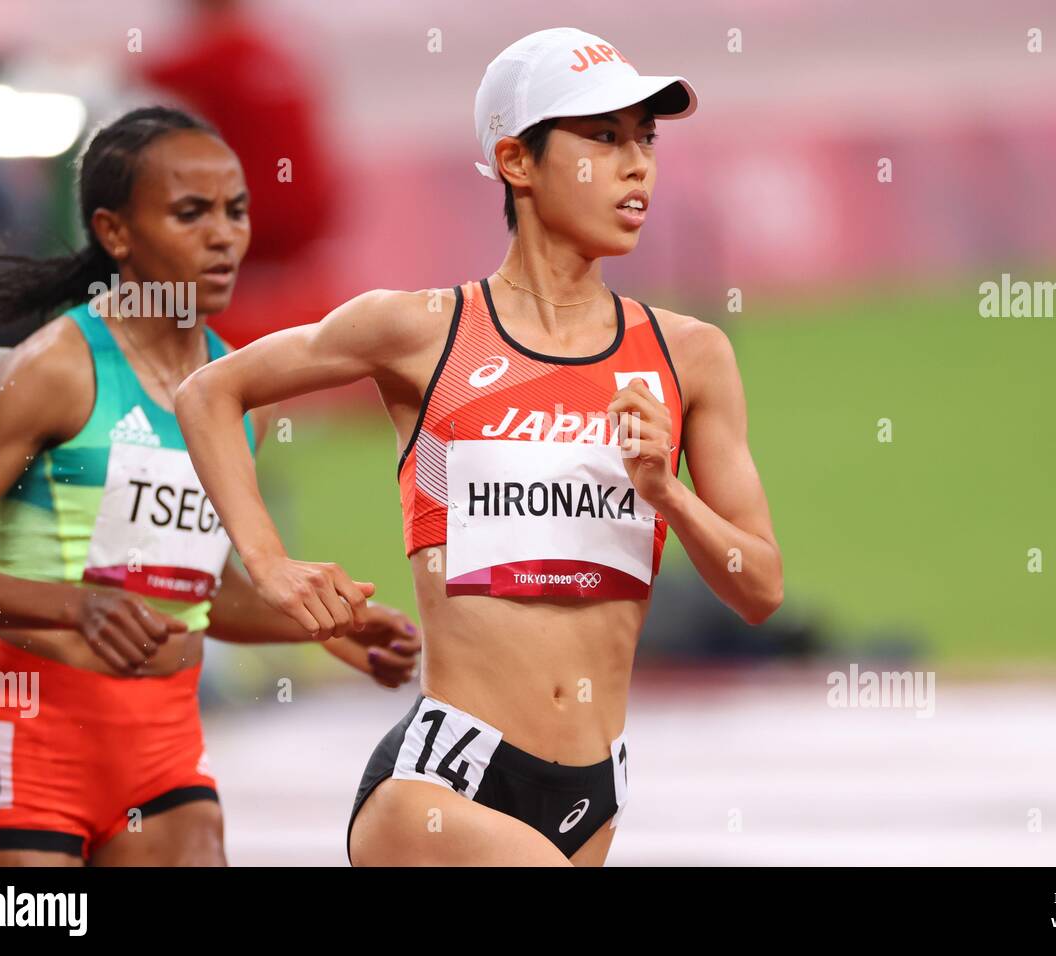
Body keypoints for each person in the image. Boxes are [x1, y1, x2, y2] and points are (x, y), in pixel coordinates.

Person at [176, 28, 782, 867]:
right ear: (517, 163)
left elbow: (762, 590)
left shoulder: (690, 356)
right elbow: (209, 391)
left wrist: (668, 492)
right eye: (602, 139)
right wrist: (272, 567)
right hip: (440, 785)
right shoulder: (421, 332)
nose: (637, 163)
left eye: (645, 137)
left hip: (595, 788)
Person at [0, 106, 420, 867]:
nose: (224, 235)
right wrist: (76, 607)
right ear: (115, 232)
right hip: (34, 739)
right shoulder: (56, 369)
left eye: (236, 210)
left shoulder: (230, 391)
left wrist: (326, 625)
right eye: (190, 213)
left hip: (163, 754)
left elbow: (198, 591)